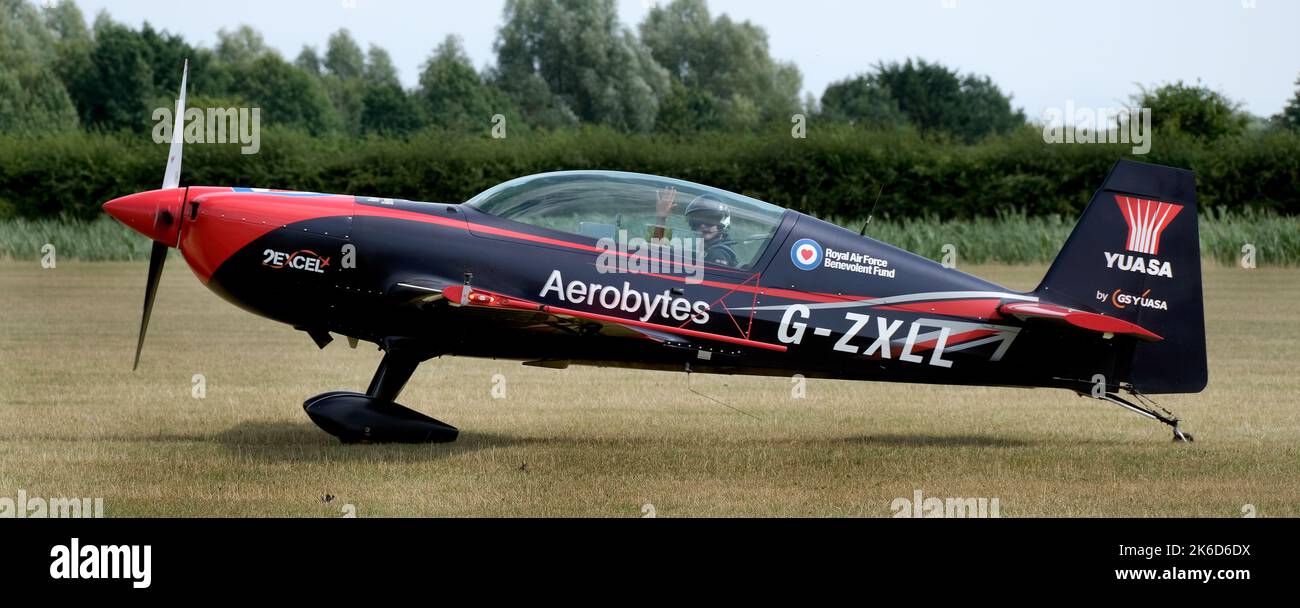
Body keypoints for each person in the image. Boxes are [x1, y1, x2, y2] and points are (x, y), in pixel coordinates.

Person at [651, 186, 739, 267]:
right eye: (696, 221)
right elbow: (659, 253)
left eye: (710, 219)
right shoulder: (704, 251)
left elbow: (656, 258)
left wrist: (661, 218)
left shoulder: (717, 254)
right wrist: (661, 217)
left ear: (722, 223)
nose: (702, 225)